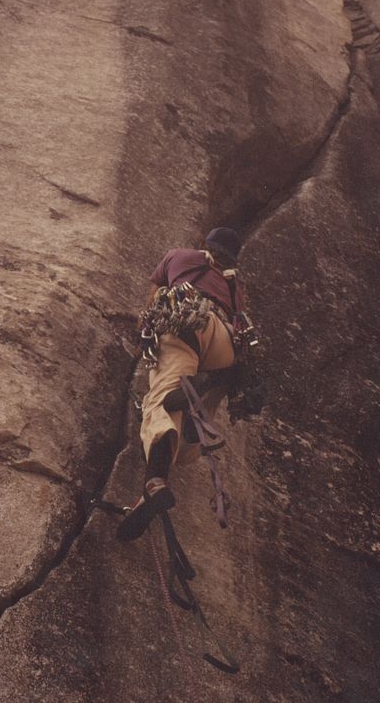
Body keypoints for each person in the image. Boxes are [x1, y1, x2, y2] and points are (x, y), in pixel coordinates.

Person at [116, 227, 242, 542]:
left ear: (205, 245)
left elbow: (152, 297)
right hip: (223, 348)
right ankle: (201, 388)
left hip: (186, 322)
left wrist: (145, 328)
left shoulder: (180, 256)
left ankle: (155, 481)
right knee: (184, 420)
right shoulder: (234, 284)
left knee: (157, 403)